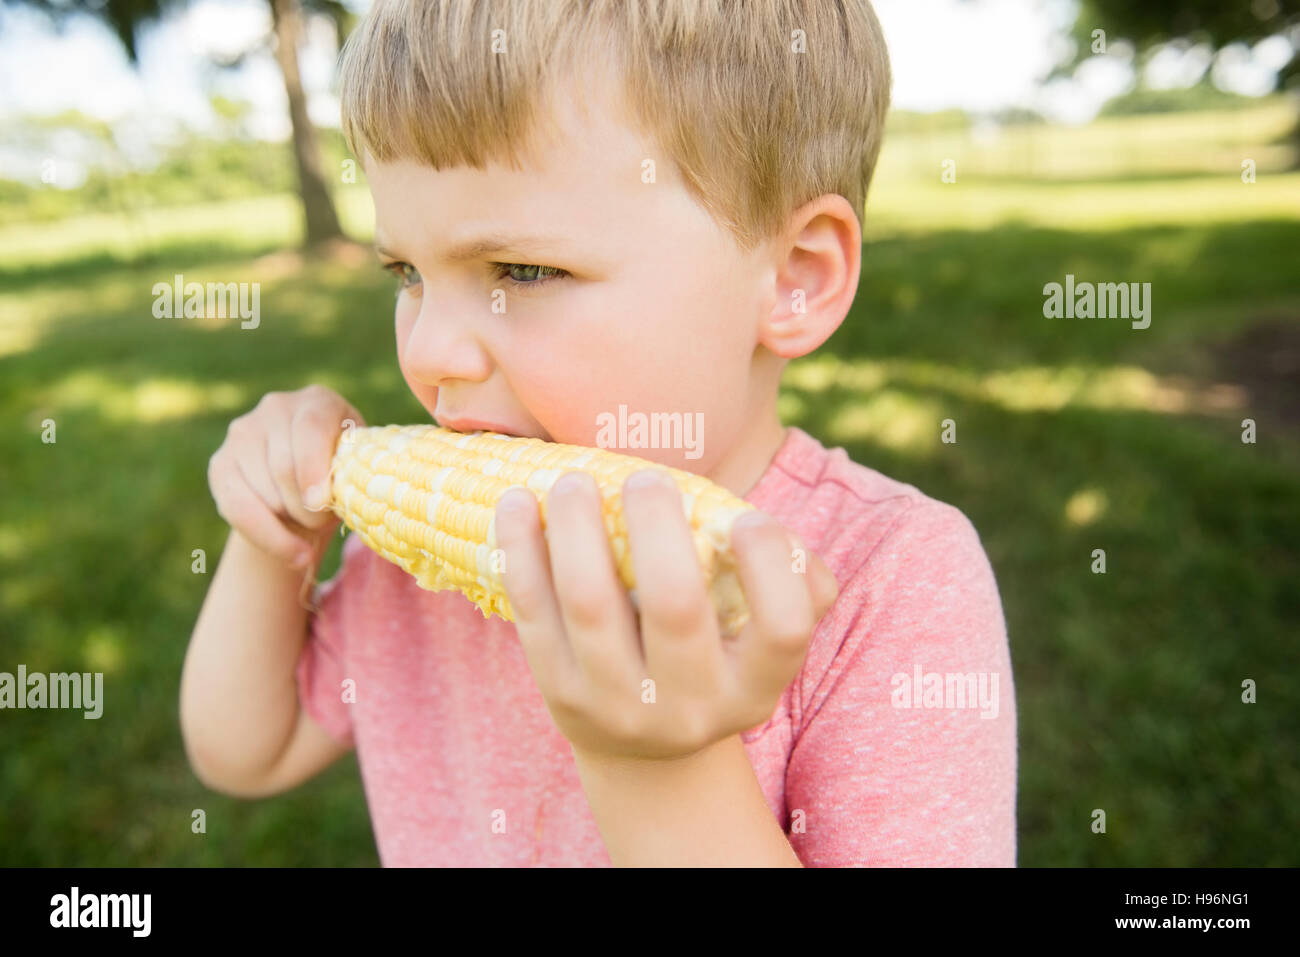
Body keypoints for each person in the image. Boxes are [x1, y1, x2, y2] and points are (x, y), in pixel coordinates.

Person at [181, 0, 1016, 867]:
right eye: (406, 273)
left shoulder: (890, 582)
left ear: (794, 278)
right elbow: (246, 746)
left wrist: (655, 767)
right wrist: (271, 538)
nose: (429, 353)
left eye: (524, 271)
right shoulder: (416, 575)